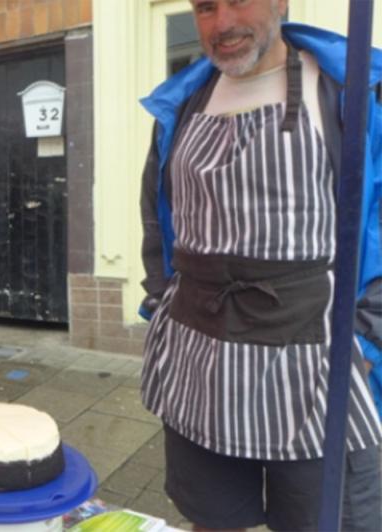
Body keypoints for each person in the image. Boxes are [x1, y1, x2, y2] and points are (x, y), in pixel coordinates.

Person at [138, 0, 382, 529]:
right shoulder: (181, 105)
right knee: (211, 517)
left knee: (323, 521)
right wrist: (160, 297)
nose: (222, 24)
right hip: (198, 353)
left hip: (316, 358)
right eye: (205, 8)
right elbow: (158, 218)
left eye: (239, 1)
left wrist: (369, 333)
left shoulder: (349, 93)